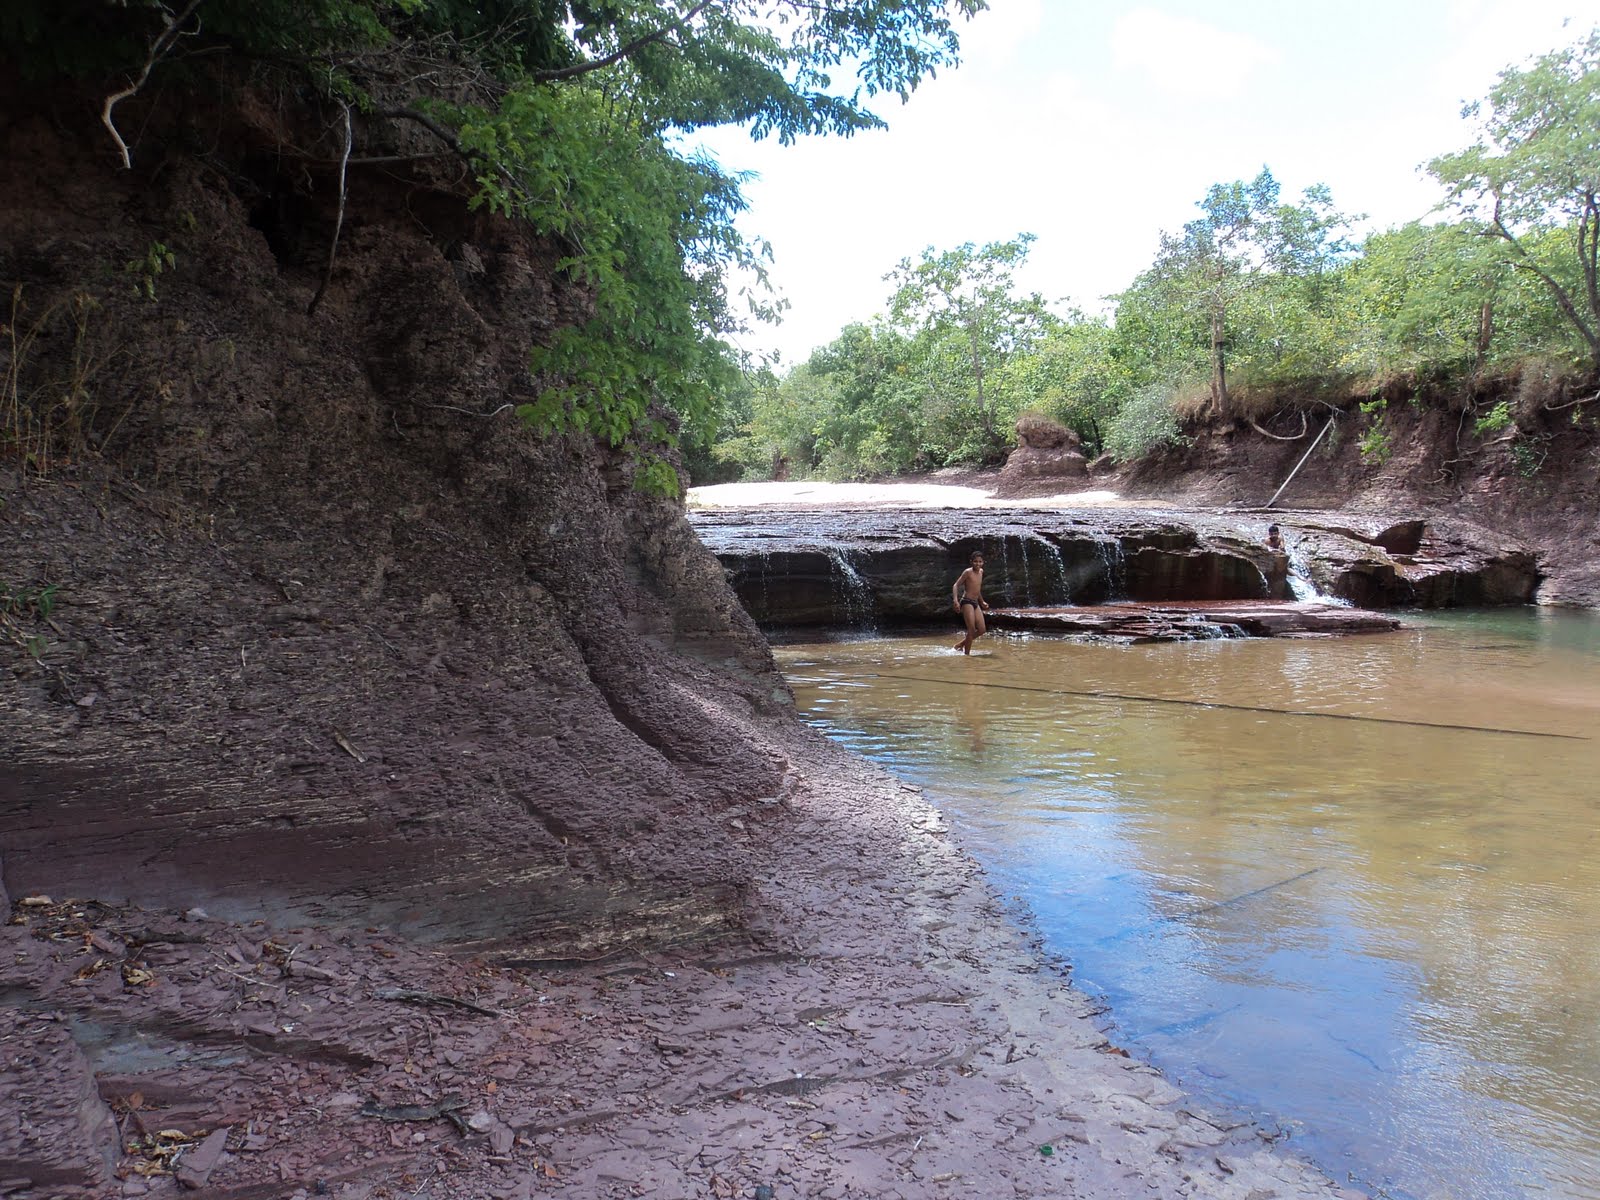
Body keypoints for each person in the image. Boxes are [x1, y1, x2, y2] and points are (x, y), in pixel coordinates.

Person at [952, 551, 990, 654]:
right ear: (971, 562)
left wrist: (982, 602)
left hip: (975, 602)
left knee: (982, 629)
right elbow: (956, 585)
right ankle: (967, 655)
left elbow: (977, 589)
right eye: (975, 561)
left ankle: (960, 645)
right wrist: (955, 601)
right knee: (971, 629)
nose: (977, 564)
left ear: (983, 562)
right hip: (966, 601)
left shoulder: (981, 572)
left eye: (980, 561)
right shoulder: (968, 572)